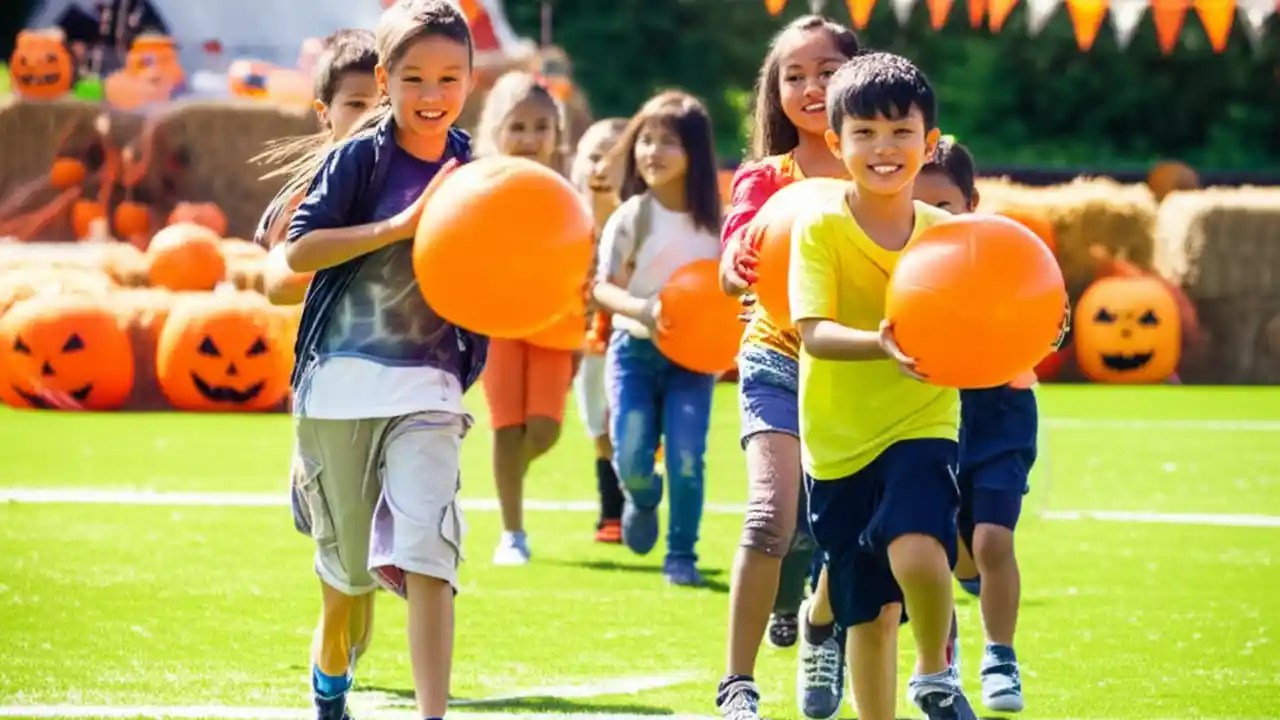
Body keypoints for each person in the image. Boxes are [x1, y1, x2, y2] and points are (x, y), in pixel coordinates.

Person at [282, 2, 484, 718]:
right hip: (337, 390)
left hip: (430, 388)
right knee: (347, 585)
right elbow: (299, 252)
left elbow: (497, 275)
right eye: (415, 78)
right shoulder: (358, 158)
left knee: (430, 551)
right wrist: (397, 227)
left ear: (470, 79)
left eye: (449, 79)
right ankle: (332, 677)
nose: (432, 96)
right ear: (385, 78)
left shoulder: (475, 171)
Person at [790, 52, 976, 720]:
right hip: (838, 443)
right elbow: (813, 333)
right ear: (836, 144)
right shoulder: (820, 228)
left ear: (929, 145)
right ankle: (818, 618)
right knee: (864, 611)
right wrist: (882, 344)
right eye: (864, 133)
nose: (884, 147)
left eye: (901, 132)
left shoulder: (952, 237)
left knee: (918, 550)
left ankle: (934, 673)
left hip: (923, 421)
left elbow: (994, 315)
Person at [713, 14, 859, 720]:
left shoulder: (886, 168)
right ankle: (737, 684)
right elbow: (735, 253)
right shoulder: (767, 177)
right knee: (773, 514)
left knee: (835, 528)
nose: (809, 87)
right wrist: (736, 263)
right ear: (774, 92)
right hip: (775, 358)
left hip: (859, 373)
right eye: (793, 75)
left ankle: (817, 621)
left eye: (827, 72)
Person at [252, 27, 380, 672]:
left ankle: (351, 645)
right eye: (354, 104)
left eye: (379, 104)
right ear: (324, 111)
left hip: (395, 382)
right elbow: (275, 281)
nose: (369, 118)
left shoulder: (409, 183)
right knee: (333, 531)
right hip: (323, 386)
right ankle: (341, 651)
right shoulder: (304, 197)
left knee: (375, 535)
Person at [913, 137, 1036, 713]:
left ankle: (1000, 655)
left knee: (992, 538)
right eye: (919, 206)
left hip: (1000, 410)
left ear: (972, 201)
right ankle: (944, 652)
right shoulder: (899, 264)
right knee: (946, 549)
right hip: (929, 410)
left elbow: (1042, 314)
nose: (932, 219)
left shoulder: (1003, 254)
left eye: (944, 205)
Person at [590, 90, 723, 586]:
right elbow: (603, 287)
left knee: (688, 455)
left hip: (694, 360)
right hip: (635, 351)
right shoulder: (632, 216)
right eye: (645, 140)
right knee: (630, 452)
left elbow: (732, 288)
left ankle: (682, 554)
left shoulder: (718, 224)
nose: (652, 152)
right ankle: (643, 497)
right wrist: (644, 310)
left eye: (667, 142)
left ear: (695, 153)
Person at [474, 70, 575, 566]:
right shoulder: (482, 188)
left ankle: (508, 472)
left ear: (557, 134)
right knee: (505, 425)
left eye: (540, 127)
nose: (529, 138)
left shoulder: (567, 190)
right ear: (496, 133)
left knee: (543, 430)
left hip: (555, 322)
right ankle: (512, 531)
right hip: (499, 323)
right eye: (517, 127)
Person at [570, 117, 631, 543]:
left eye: (613, 157)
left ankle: (630, 503)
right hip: (588, 342)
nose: (601, 167)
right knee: (598, 424)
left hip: (630, 338)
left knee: (629, 422)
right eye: (594, 156)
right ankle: (611, 509)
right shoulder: (569, 218)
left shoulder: (639, 217)